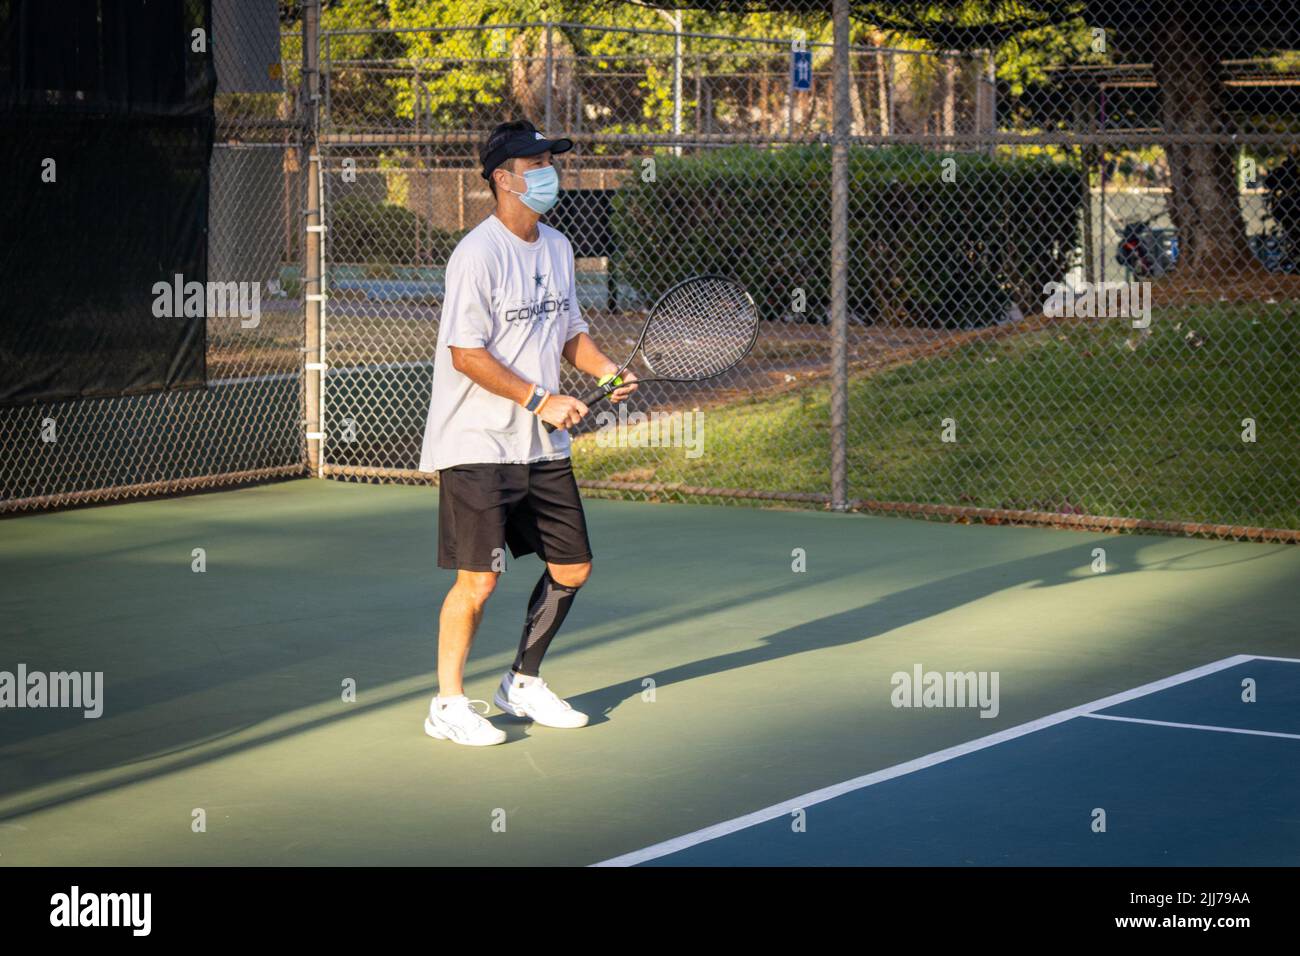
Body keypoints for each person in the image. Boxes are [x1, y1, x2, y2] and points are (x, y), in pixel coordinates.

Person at [417, 119, 637, 746]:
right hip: (477, 443)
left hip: (541, 448)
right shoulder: (477, 255)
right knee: (479, 580)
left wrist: (605, 369)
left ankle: (521, 681)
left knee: (573, 567)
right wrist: (541, 399)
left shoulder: (558, 247)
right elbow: (466, 354)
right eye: (536, 165)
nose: (549, 174)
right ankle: (448, 704)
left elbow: (569, 331)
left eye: (551, 163)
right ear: (503, 179)